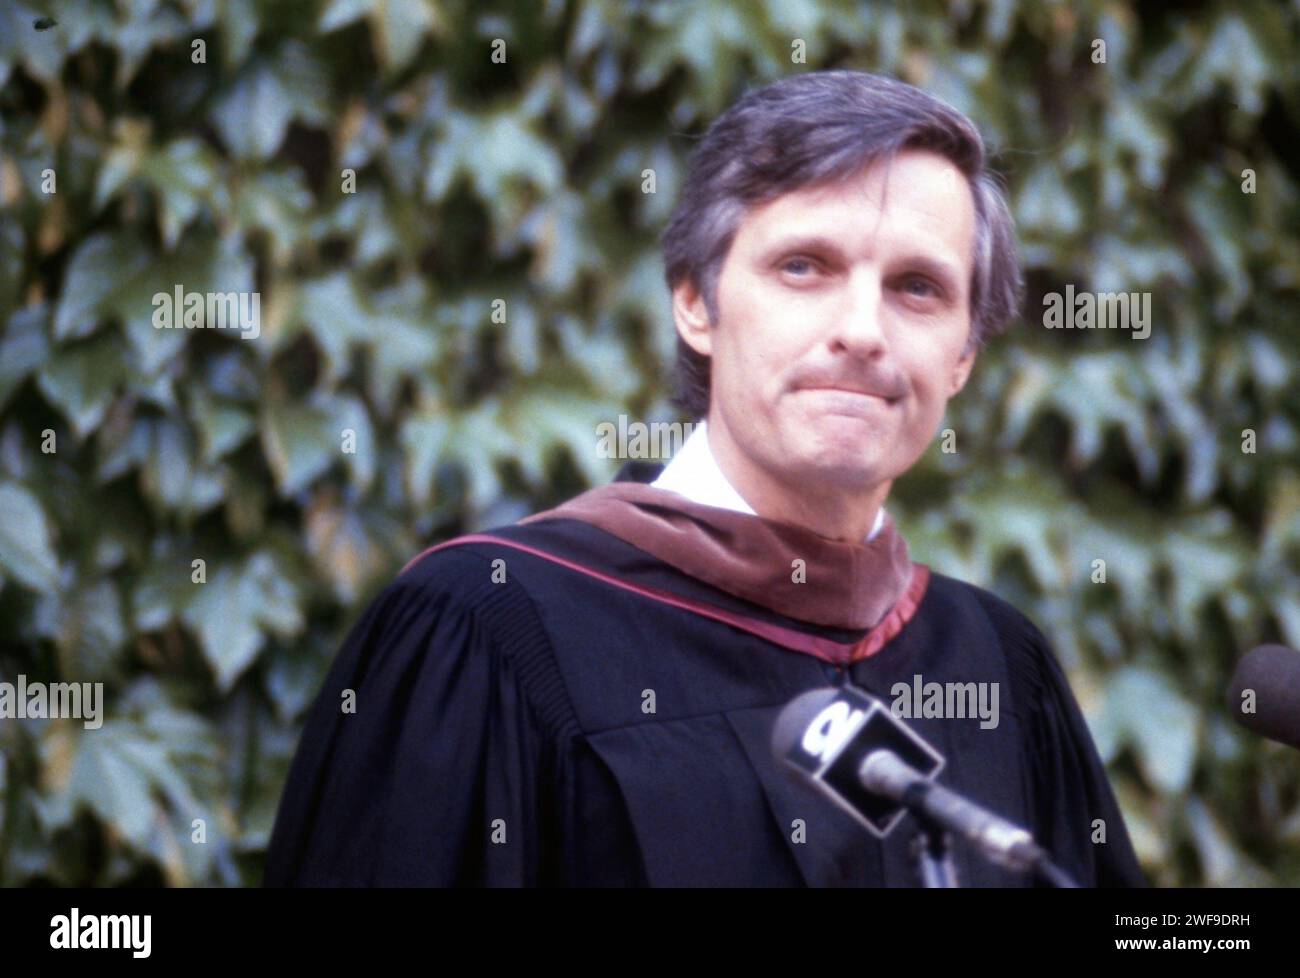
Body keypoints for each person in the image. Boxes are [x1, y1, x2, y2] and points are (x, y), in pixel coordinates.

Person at [264, 70, 1145, 887]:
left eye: (918, 288)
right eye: (805, 267)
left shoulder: (997, 663)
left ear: (962, 355)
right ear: (697, 302)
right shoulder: (484, 625)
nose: (863, 330)